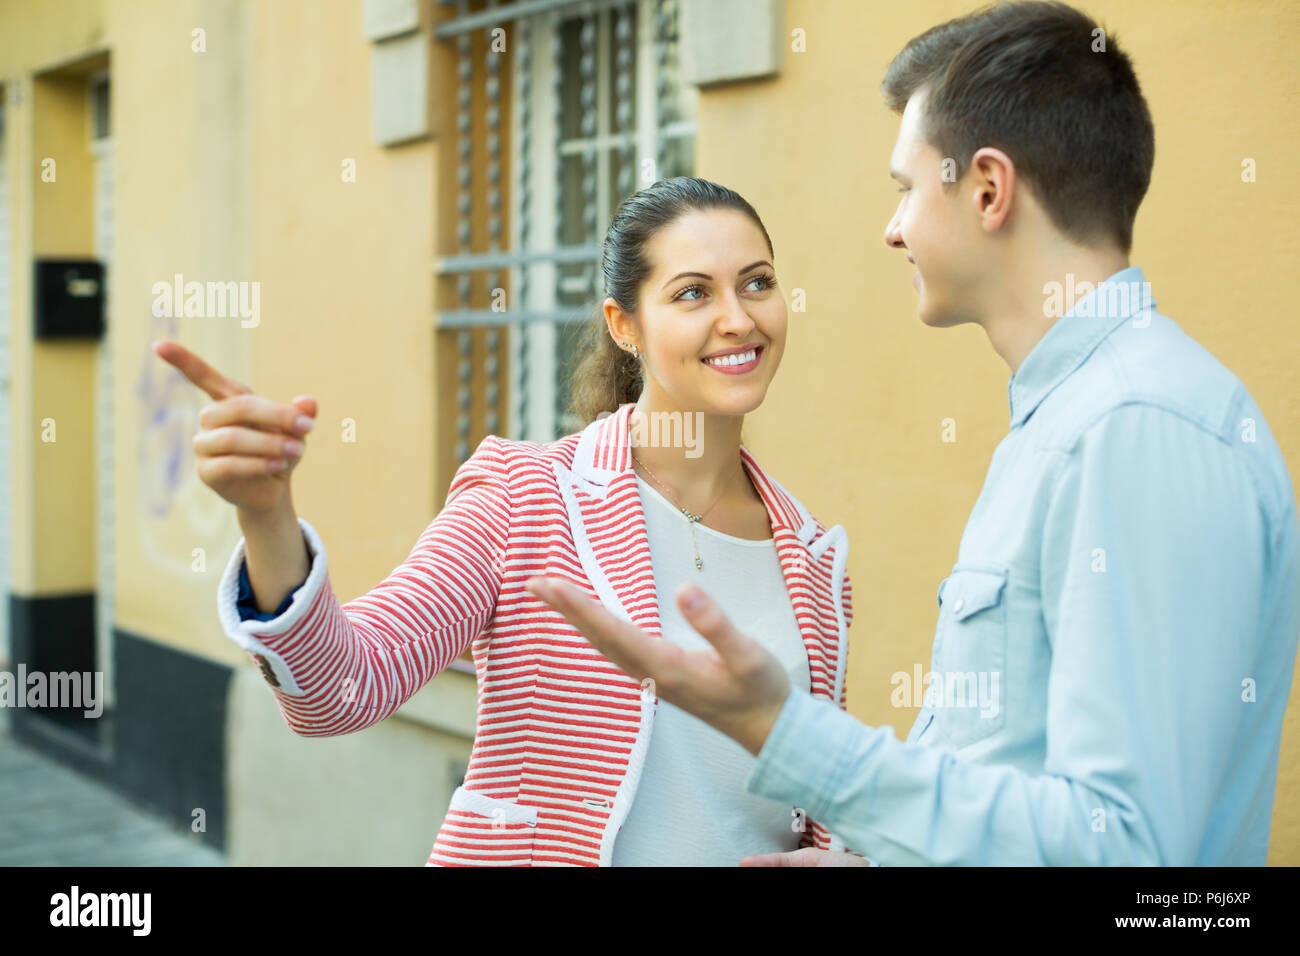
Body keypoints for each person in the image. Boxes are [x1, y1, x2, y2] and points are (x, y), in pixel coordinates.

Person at [526, 1, 1300, 865]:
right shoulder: (1072, 422)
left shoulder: (1135, 430)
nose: (893, 228)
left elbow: (1125, 855)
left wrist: (788, 733)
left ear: (988, 190)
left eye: (904, 188)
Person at [158, 176, 866, 866]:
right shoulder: (527, 498)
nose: (739, 318)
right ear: (626, 327)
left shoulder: (812, 559)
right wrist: (266, 517)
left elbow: (808, 799)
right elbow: (341, 692)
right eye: (692, 293)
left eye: (758, 282)